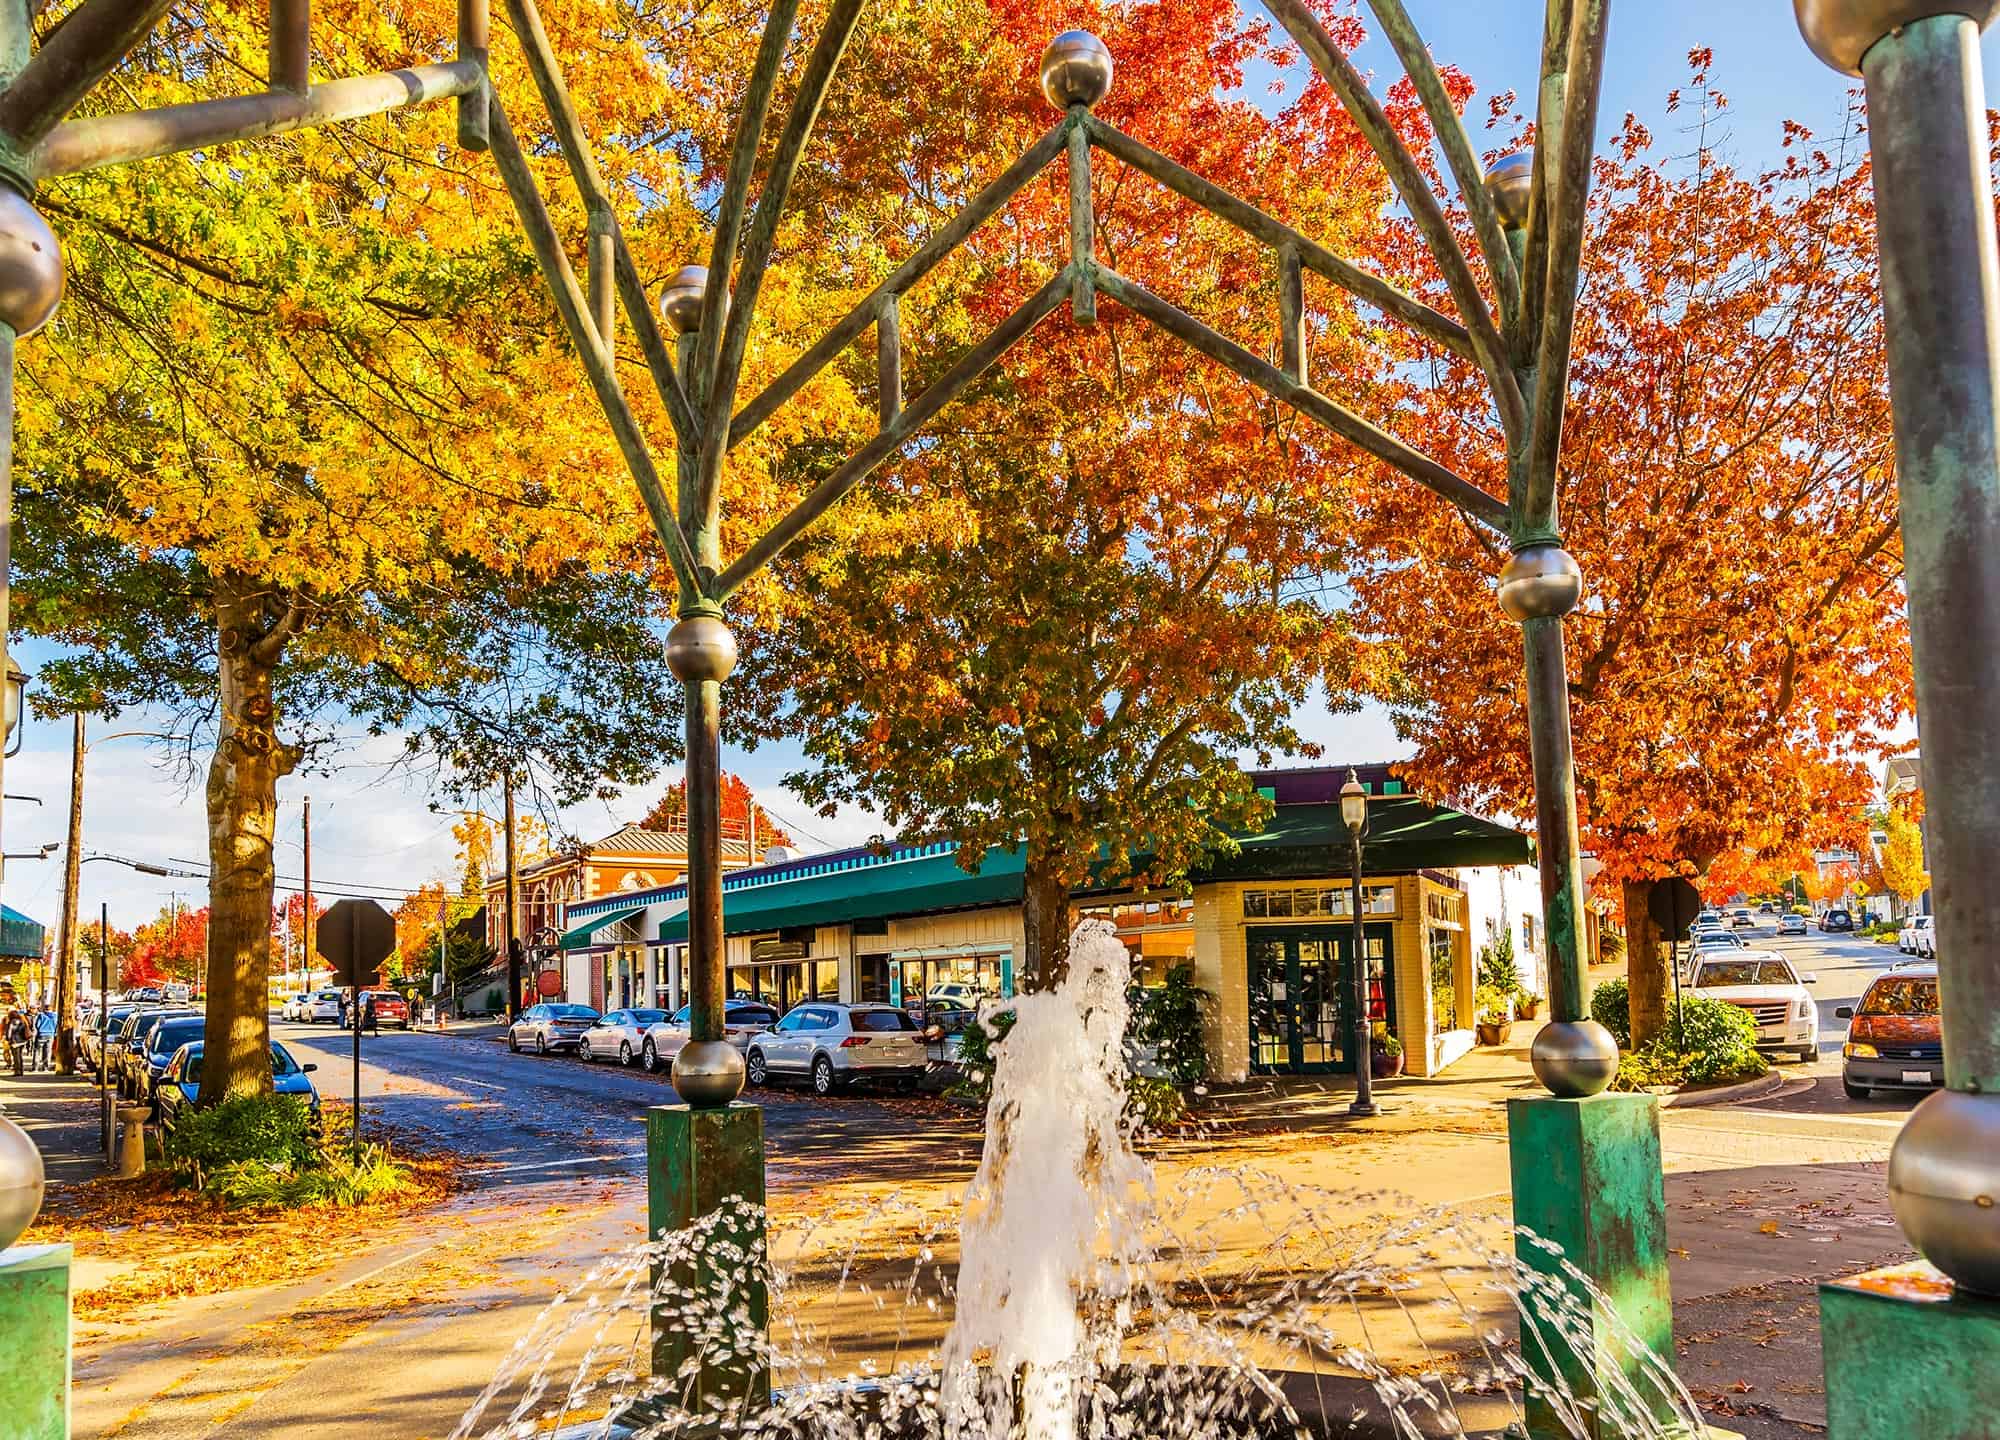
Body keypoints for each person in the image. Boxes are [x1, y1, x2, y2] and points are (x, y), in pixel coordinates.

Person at [3, 1009, 27, 1077]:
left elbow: (9, 1033)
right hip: (22, 1041)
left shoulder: (11, 1022)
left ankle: (17, 1071)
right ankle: (21, 1070)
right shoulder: (22, 1021)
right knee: (20, 1056)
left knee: (16, 1057)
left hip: (14, 1042)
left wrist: (8, 1039)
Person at [31, 1007, 55, 1071]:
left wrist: (39, 1030)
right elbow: (56, 1025)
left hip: (41, 1034)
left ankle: (35, 1067)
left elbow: (37, 1025)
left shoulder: (41, 1015)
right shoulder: (55, 1016)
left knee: (37, 1051)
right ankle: (45, 1067)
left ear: (45, 1009)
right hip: (51, 1034)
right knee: (48, 1051)